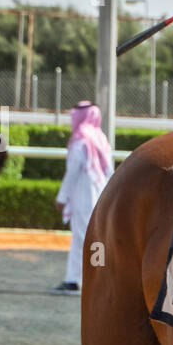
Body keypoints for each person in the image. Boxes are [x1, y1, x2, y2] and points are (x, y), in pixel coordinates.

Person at [54, 101, 113, 293]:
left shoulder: (81, 140)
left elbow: (72, 171)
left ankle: (94, 281)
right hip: (100, 194)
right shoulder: (100, 139)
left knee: (84, 238)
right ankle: (77, 279)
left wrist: (62, 197)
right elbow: (110, 171)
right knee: (93, 239)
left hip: (83, 197)